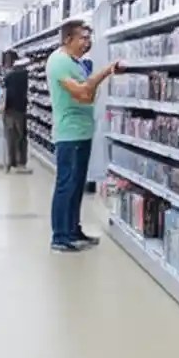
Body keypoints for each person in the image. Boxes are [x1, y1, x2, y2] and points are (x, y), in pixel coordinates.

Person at [47, 20, 120, 252]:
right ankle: (60, 236)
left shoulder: (75, 63)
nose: (87, 43)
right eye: (83, 38)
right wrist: (106, 72)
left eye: (89, 38)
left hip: (81, 131)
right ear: (68, 39)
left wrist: (90, 84)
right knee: (66, 184)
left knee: (77, 185)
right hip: (69, 133)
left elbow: (87, 95)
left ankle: (72, 229)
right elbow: (82, 93)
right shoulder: (58, 61)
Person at [0, 50, 31, 174]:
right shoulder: (24, 74)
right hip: (20, 109)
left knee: (10, 136)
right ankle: (21, 163)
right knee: (21, 137)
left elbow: (4, 93)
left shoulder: (8, 76)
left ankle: (10, 162)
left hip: (8, 110)